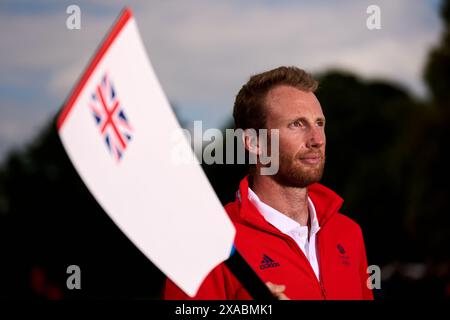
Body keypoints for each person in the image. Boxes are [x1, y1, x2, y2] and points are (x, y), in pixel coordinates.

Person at [164, 66, 373, 300]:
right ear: (254, 143)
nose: (316, 139)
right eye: (297, 124)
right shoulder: (207, 244)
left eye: (319, 123)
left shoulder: (348, 233)